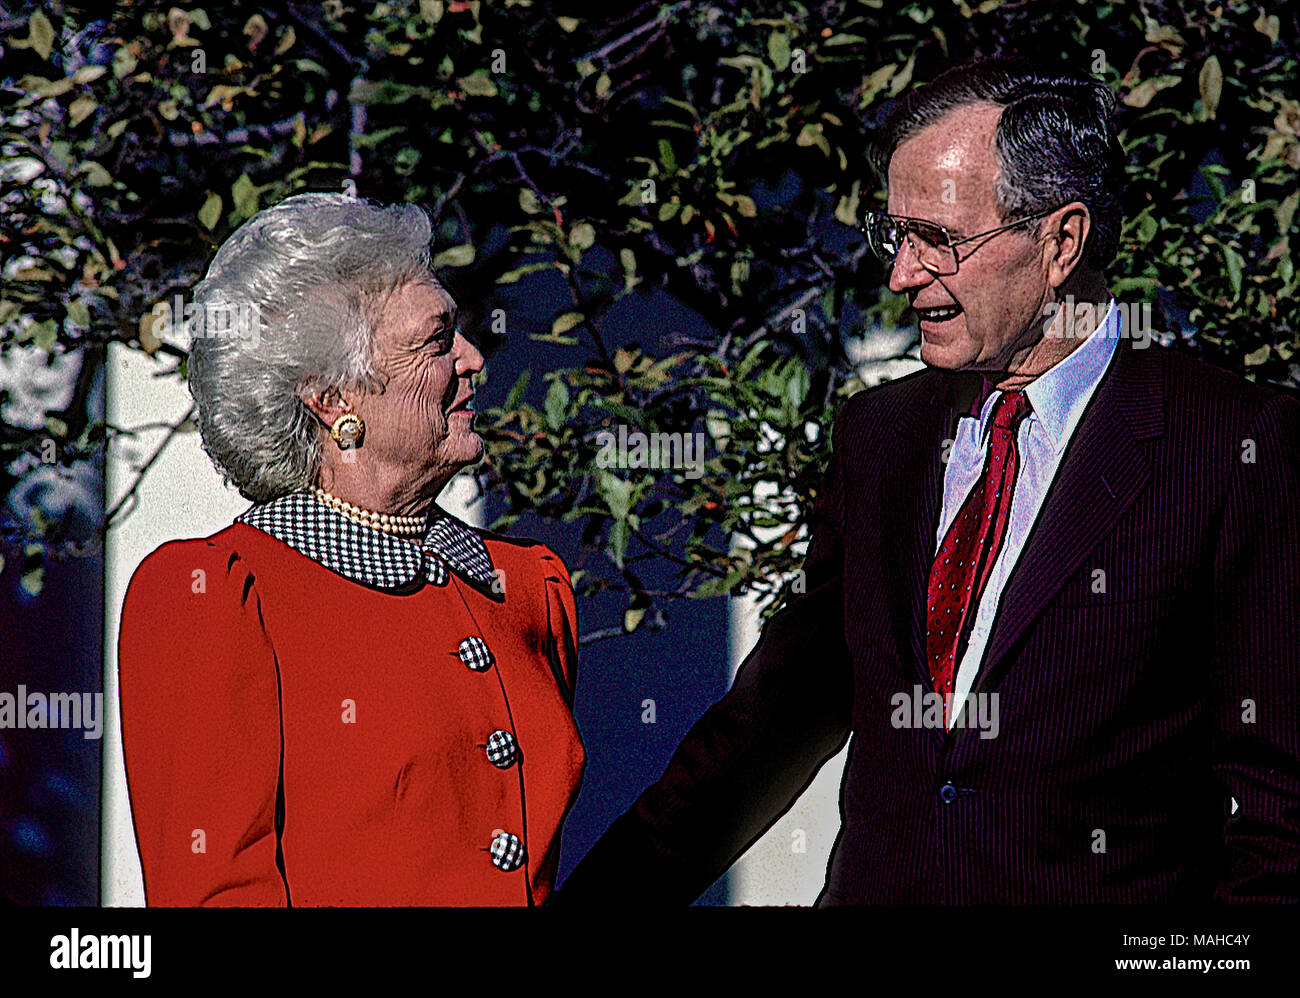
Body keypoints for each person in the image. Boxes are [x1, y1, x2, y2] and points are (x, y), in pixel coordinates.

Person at [553, 58, 1300, 904]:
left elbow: (1284, 809)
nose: (903, 273)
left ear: (1060, 242)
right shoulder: (881, 438)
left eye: (939, 239)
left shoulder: (1229, 445)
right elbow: (771, 728)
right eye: (894, 234)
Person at [119, 193, 585, 906]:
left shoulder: (524, 586)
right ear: (333, 401)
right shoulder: (215, 593)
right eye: (435, 341)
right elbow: (214, 893)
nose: (473, 360)